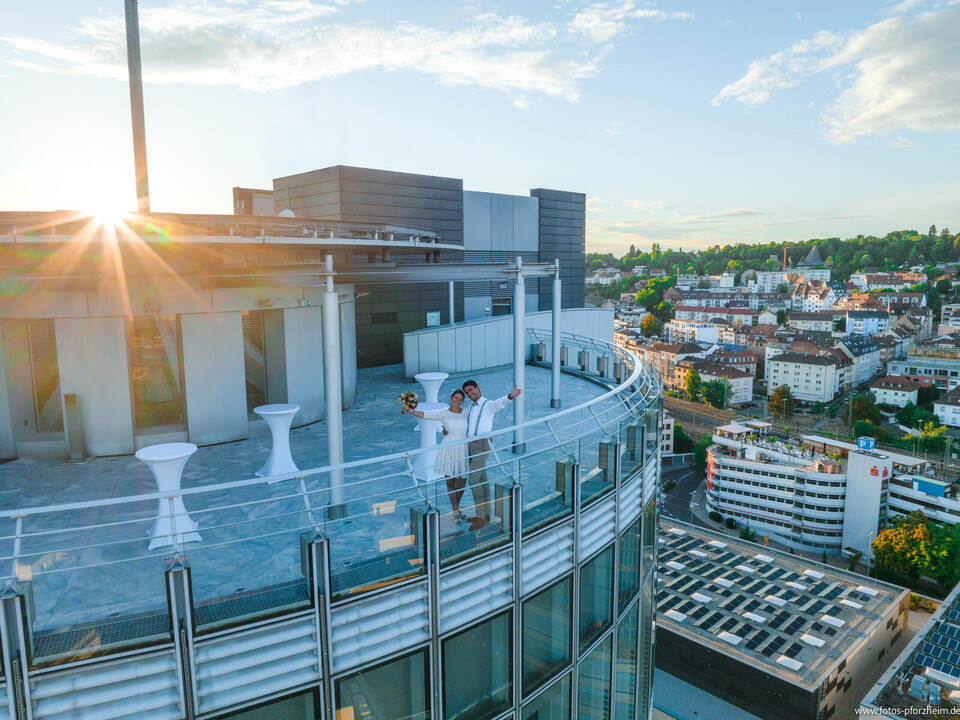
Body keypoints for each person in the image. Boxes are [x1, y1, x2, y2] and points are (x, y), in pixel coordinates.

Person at [402, 389, 470, 522]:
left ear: (462, 402)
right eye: (456, 397)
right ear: (451, 398)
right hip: (448, 448)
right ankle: (455, 509)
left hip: (463, 448)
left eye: (460, 399)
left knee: (462, 480)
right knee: (450, 481)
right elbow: (425, 414)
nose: (457, 401)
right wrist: (409, 410)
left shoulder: (466, 412)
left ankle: (457, 506)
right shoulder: (443, 413)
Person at [462, 379, 521, 530]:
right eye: (467, 392)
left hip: (482, 446)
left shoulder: (487, 405)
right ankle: (486, 513)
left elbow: (498, 404)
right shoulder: (470, 407)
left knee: (473, 480)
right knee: (483, 480)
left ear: (477, 388)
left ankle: (481, 517)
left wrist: (510, 396)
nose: (469, 394)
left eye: (471, 390)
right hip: (470, 446)